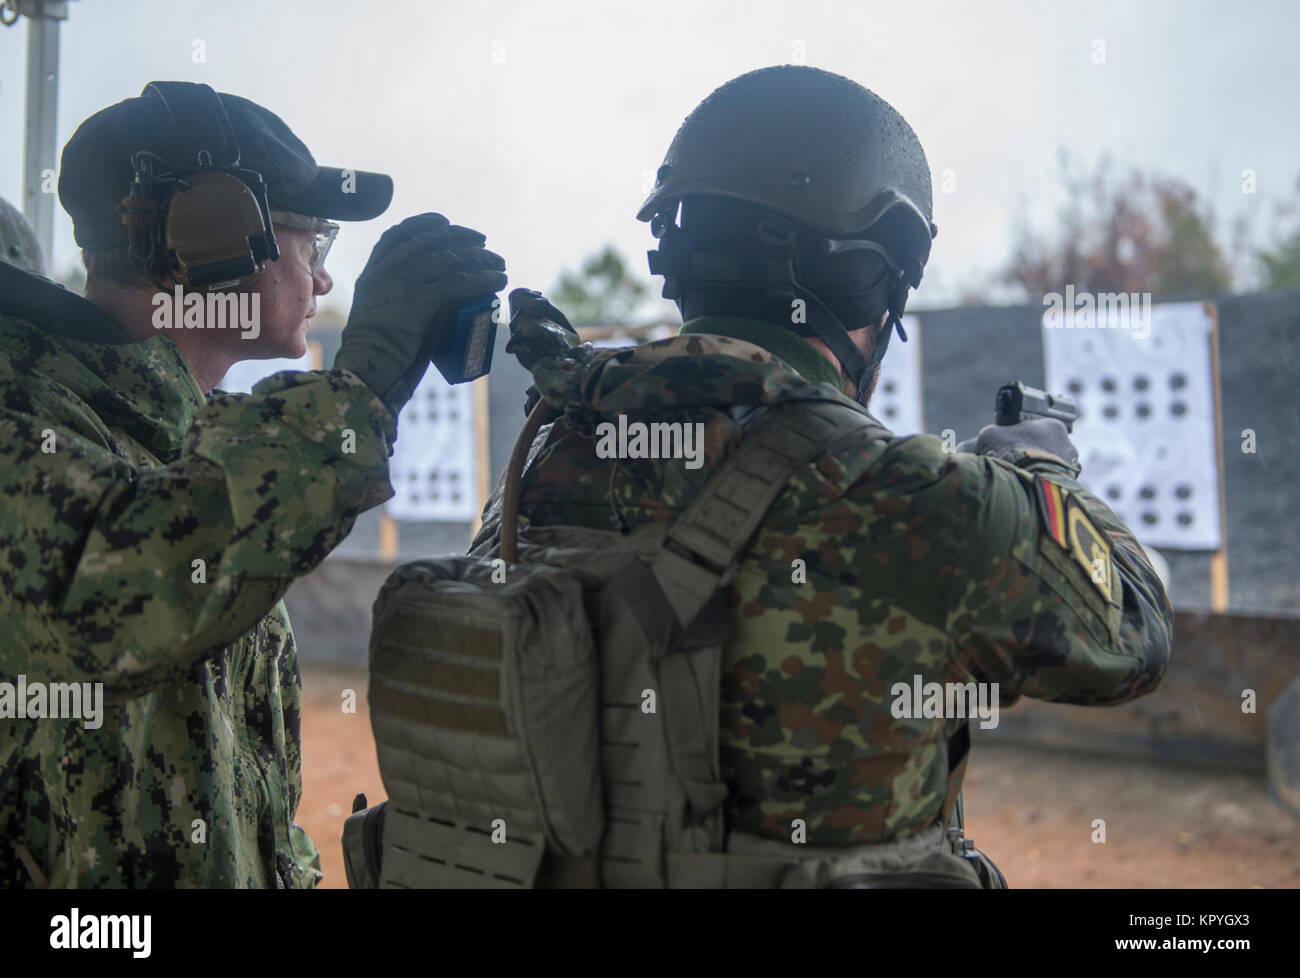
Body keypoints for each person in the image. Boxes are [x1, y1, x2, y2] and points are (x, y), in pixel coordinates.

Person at [466, 65, 1172, 886]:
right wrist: (1045, 478)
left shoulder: (552, 451)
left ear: (680, 258)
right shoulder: (916, 500)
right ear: (871, 277)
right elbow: (1134, 635)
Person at [0, 81, 506, 887]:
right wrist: (359, 392)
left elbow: (239, 782)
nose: (326, 281)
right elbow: (119, 598)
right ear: (215, 239)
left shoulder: (186, 440)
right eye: (315, 244)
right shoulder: (24, 409)